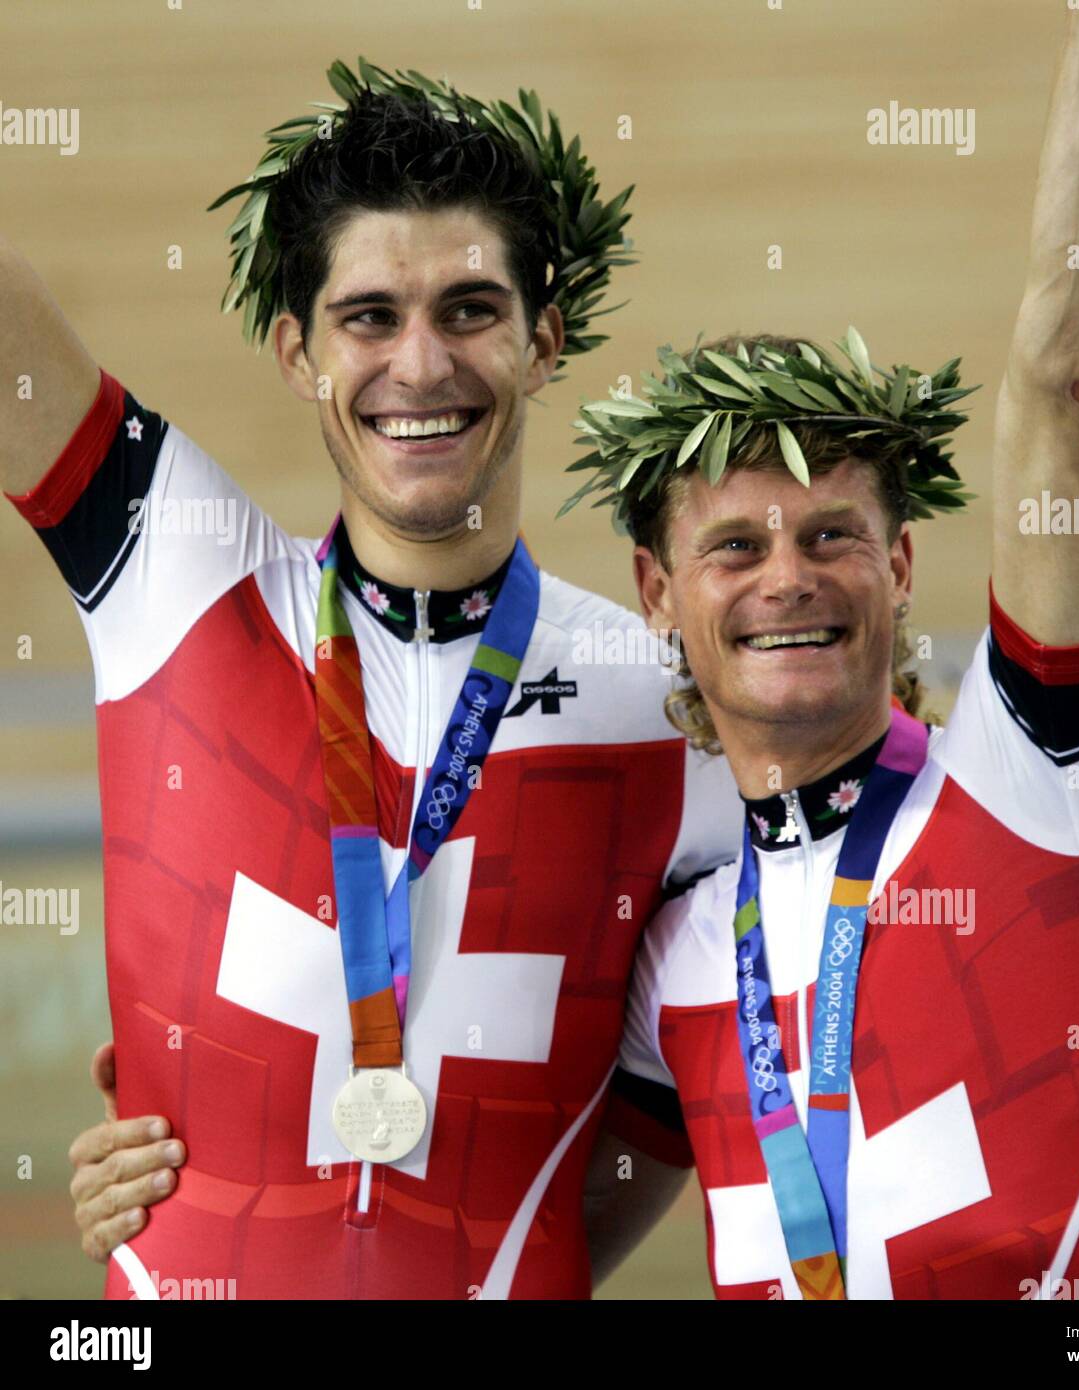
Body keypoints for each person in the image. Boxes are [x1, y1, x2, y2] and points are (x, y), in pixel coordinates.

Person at [3, 59, 740, 1300]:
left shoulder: (662, 705)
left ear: (542, 339)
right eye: (368, 317)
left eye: (469, 309)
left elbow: (907, 911)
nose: (420, 363)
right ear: (297, 350)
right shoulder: (175, 578)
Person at [571, 1, 1079, 1299]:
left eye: (831, 533)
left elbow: (1068, 372)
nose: (788, 576)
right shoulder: (680, 955)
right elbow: (511, 1248)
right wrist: (163, 1162)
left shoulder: (1028, 771)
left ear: (903, 564)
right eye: (735, 547)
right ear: (658, 593)